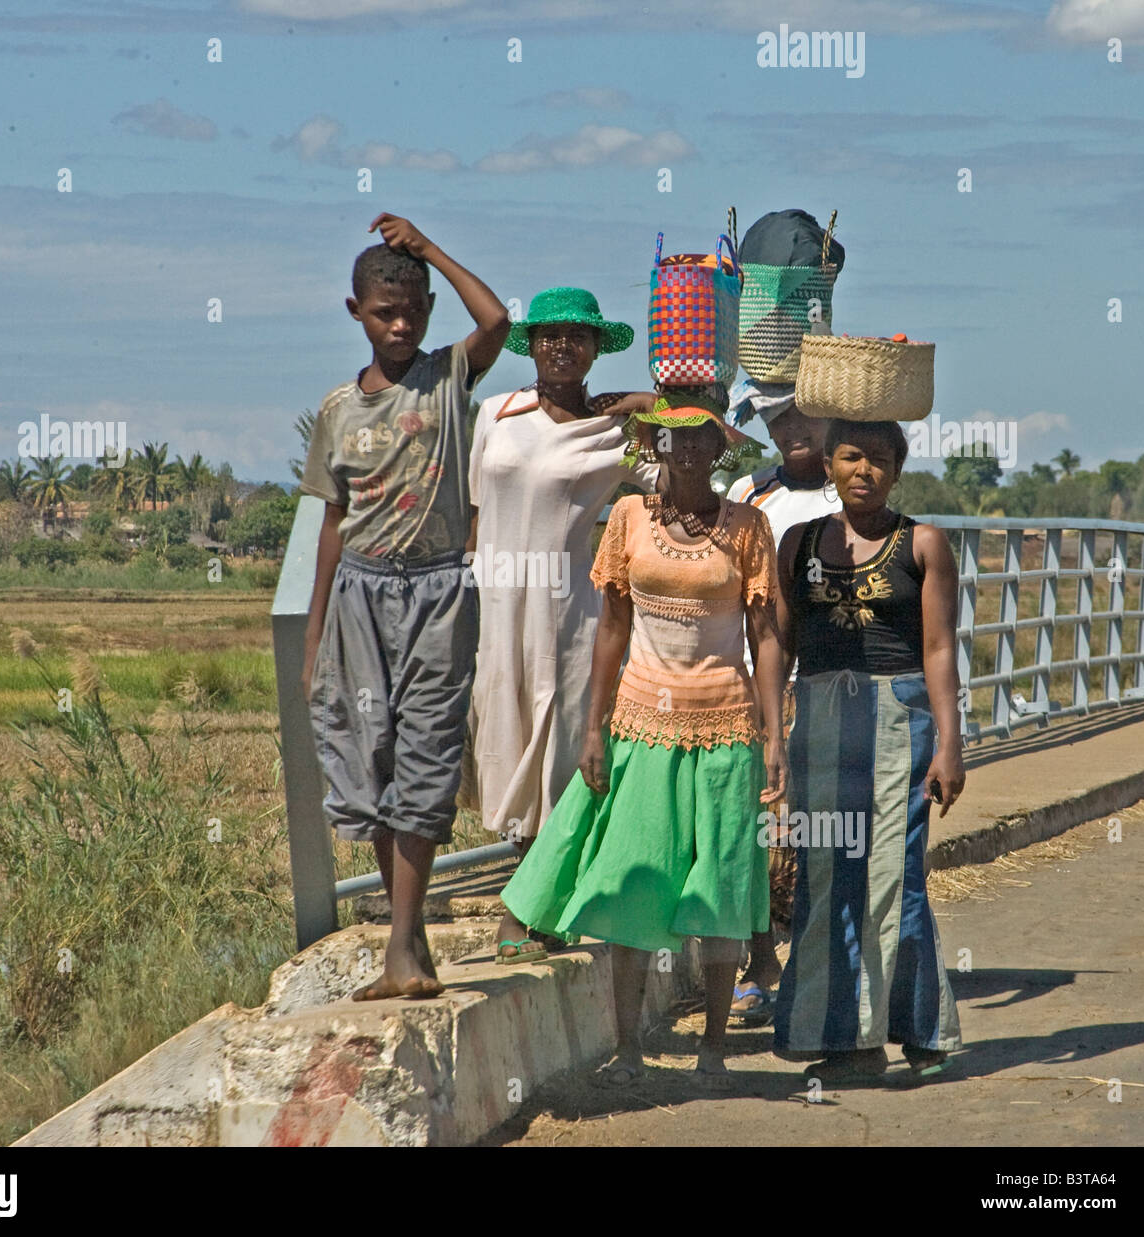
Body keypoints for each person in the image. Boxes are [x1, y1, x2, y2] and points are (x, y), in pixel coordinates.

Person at [500, 392, 784, 1086]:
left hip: (726, 726)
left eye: (701, 438)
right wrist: (592, 728)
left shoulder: (749, 528)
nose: (686, 450)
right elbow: (611, 631)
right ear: (654, 444)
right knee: (630, 881)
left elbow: (766, 637)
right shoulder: (627, 517)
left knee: (720, 886)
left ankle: (712, 1047)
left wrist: (775, 736)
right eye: (671, 437)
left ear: (722, 449)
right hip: (640, 725)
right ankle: (628, 1048)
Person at [299, 213, 509, 1000]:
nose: (399, 324)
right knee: (370, 759)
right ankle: (408, 934)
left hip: (438, 593)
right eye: (385, 312)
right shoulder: (337, 412)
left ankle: (398, 947)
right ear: (355, 312)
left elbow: (498, 320)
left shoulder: (449, 377)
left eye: (412, 311)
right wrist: (317, 630)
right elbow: (331, 518)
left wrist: (428, 250)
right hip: (359, 591)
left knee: (425, 757)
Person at [466, 287, 659, 965]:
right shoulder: (497, 412)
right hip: (497, 607)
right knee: (506, 739)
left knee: (556, 755)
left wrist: (650, 405)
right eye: (550, 335)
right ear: (533, 344)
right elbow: (474, 513)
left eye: (578, 338)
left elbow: (720, 459)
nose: (562, 347)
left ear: (596, 350)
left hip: (566, 614)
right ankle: (537, 891)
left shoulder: (614, 434)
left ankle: (530, 908)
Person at [772, 419, 965, 1081]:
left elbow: (940, 648)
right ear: (829, 464)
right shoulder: (798, 544)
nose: (864, 471)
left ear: (897, 469)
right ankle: (837, 1032)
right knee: (825, 876)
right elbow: (777, 641)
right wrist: (773, 731)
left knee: (895, 874)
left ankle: (908, 1027)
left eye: (879, 459)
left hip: (897, 725)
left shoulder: (925, 545)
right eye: (851, 457)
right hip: (820, 726)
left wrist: (950, 744)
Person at [725, 383, 841, 1021]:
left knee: (803, 826)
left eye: (802, 414)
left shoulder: (845, 487)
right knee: (751, 825)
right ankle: (757, 960)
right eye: (777, 417)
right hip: (747, 677)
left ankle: (806, 963)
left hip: (820, 679)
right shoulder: (750, 493)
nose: (791, 427)